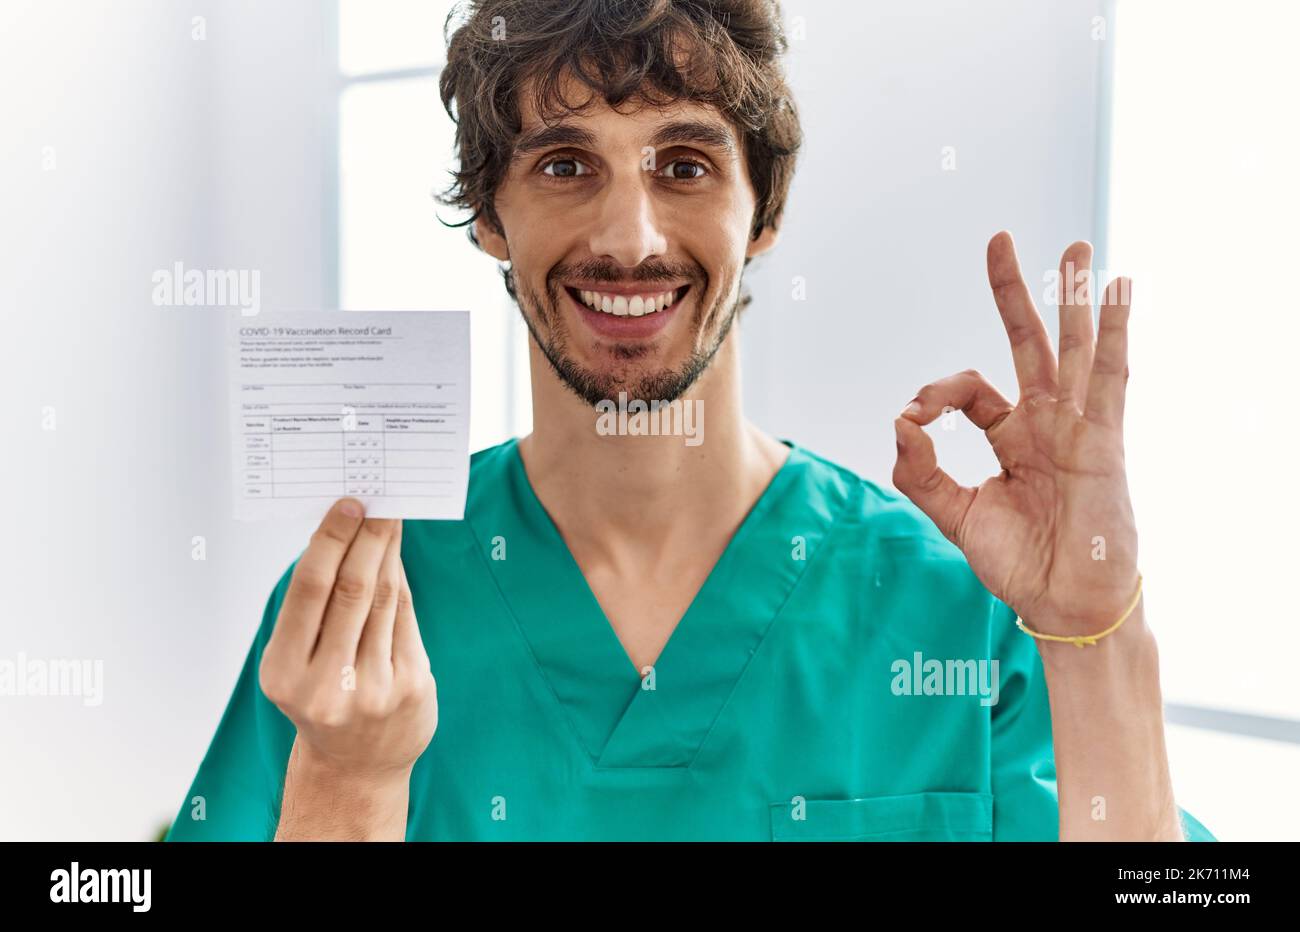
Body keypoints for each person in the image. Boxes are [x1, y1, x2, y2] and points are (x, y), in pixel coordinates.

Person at [167, 0, 1212, 841]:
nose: (629, 237)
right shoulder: (361, 619)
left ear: (763, 211)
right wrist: (346, 790)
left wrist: (1093, 630)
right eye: (565, 165)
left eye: (685, 165)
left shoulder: (966, 610)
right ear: (490, 215)